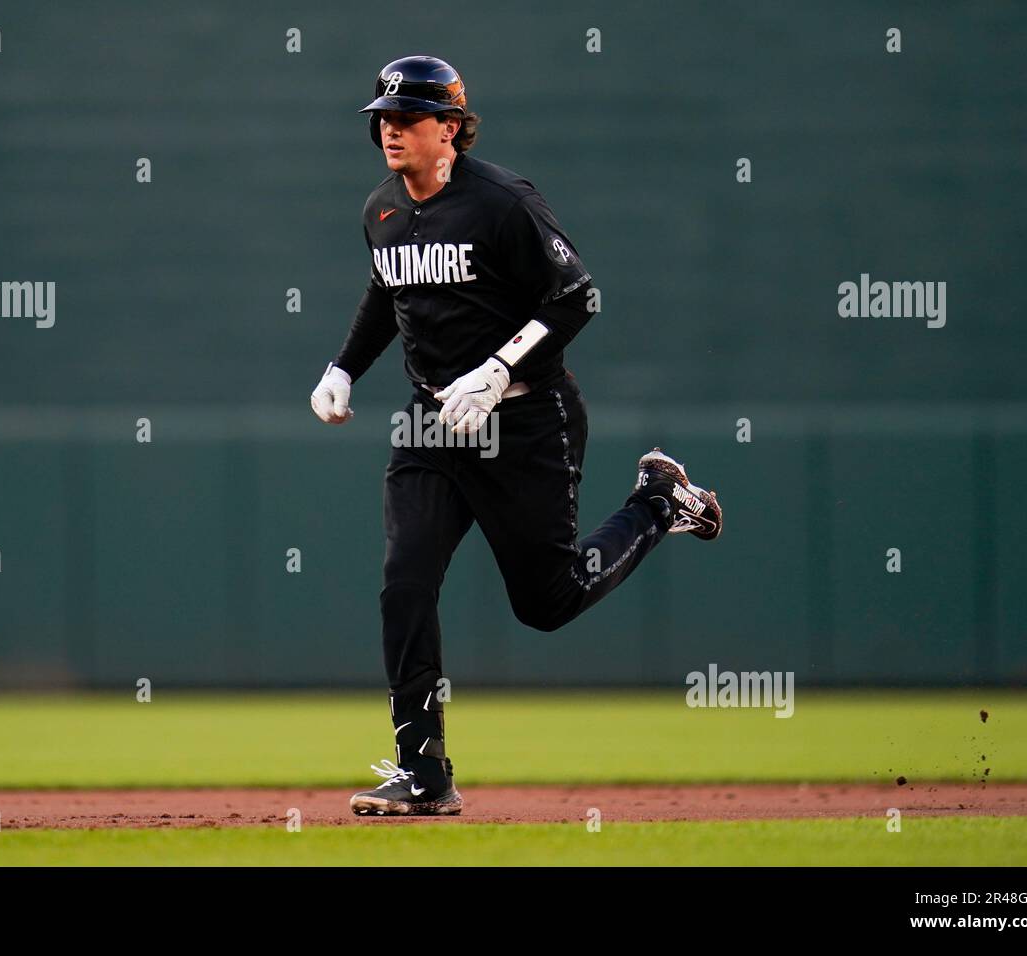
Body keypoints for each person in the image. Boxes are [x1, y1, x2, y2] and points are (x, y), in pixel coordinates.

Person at [310, 55, 723, 816]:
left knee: (548, 601)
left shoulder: (502, 202)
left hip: (528, 418)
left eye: (408, 119)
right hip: (433, 423)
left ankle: (661, 502)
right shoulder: (382, 210)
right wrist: (343, 367)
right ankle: (424, 772)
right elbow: (385, 294)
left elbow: (576, 296)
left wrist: (499, 369)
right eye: (383, 121)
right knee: (405, 584)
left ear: (453, 129)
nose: (391, 131)